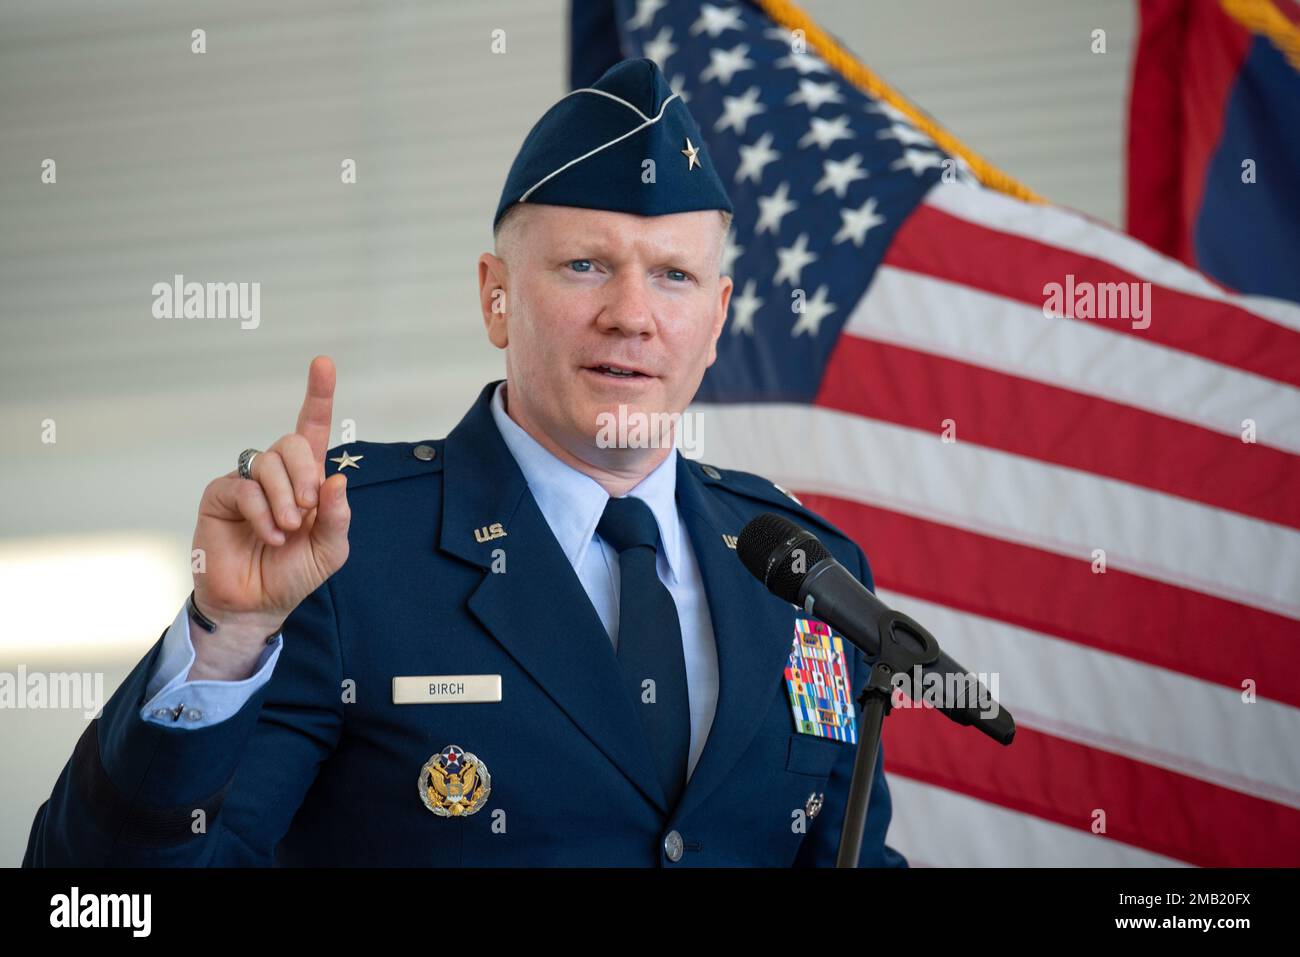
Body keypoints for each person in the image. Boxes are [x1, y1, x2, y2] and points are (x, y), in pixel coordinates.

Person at [23, 57, 907, 867]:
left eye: (672, 276)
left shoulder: (805, 575)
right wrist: (227, 638)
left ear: (716, 322)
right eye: (587, 265)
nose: (632, 315)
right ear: (495, 298)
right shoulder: (342, 551)